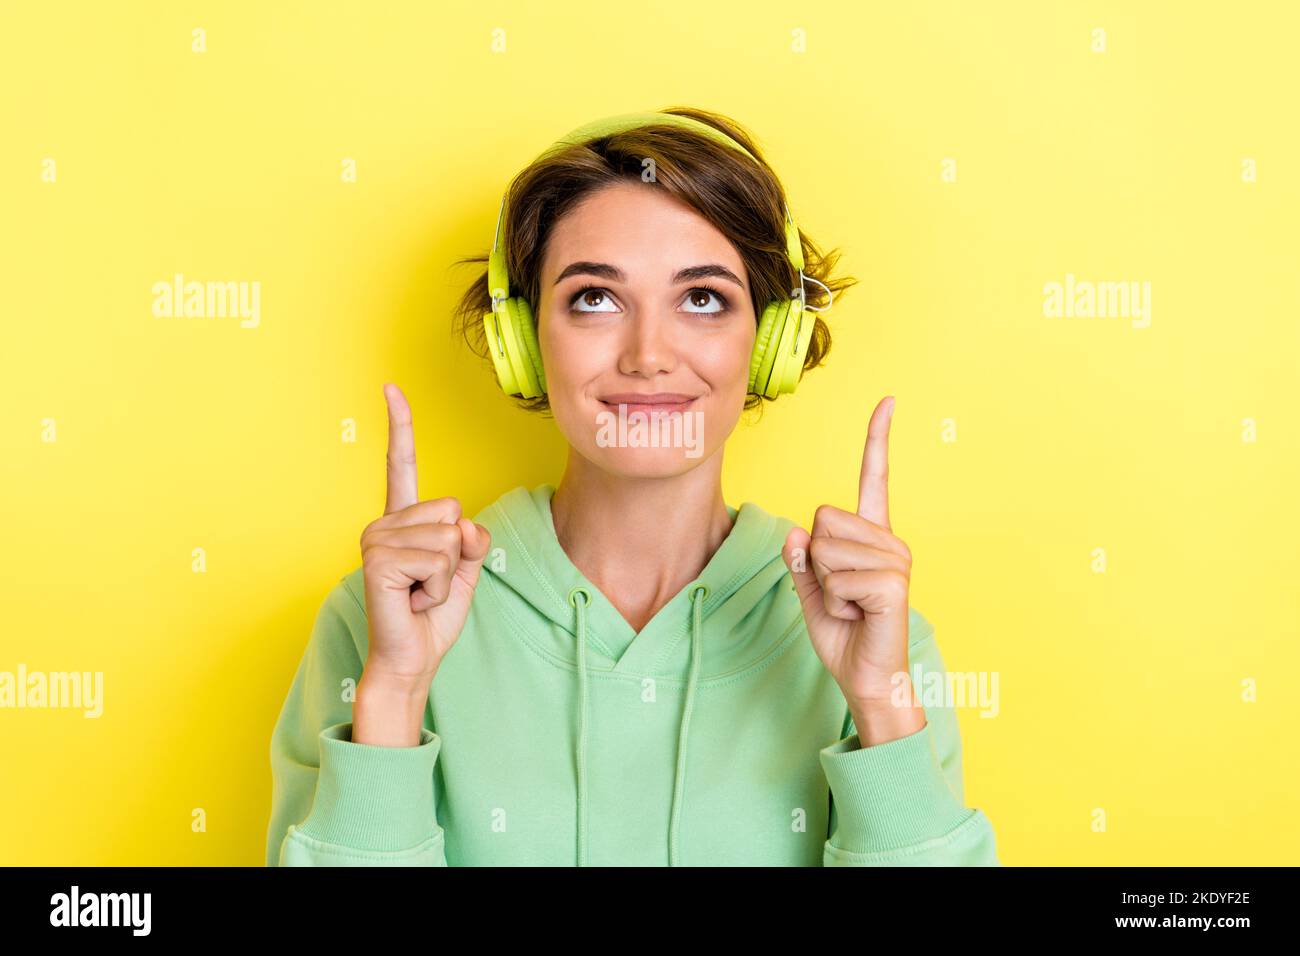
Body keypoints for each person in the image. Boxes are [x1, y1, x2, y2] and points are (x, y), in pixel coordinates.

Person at [266, 107, 1000, 866]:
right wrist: (392, 697)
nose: (649, 356)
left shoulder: (880, 637)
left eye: (703, 297)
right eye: (594, 298)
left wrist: (879, 704)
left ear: (769, 341)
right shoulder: (379, 621)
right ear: (521, 340)